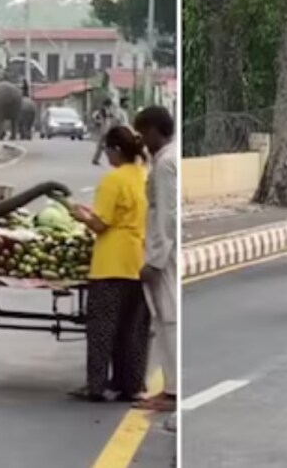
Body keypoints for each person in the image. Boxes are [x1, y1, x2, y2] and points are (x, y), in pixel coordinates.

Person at [66, 126, 151, 403]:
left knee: (103, 328)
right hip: (138, 260)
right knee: (133, 329)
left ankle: (96, 386)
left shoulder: (112, 181)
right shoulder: (143, 176)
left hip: (110, 263)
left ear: (115, 150)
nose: (105, 155)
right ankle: (131, 385)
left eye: (106, 150)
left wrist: (79, 215)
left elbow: (100, 223)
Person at [132, 106, 178, 414]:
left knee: (168, 321)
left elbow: (167, 215)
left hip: (165, 254)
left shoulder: (165, 165)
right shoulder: (165, 159)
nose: (142, 141)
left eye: (143, 134)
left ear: (154, 130)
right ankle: (170, 387)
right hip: (163, 249)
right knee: (164, 321)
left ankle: (173, 392)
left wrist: (156, 261)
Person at [92, 99, 126, 166]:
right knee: (105, 145)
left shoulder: (106, 110)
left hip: (106, 129)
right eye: (110, 104)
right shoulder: (105, 110)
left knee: (101, 145)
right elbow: (110, 118)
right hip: (107, 129)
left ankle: (96, 159)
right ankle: (96, 159)